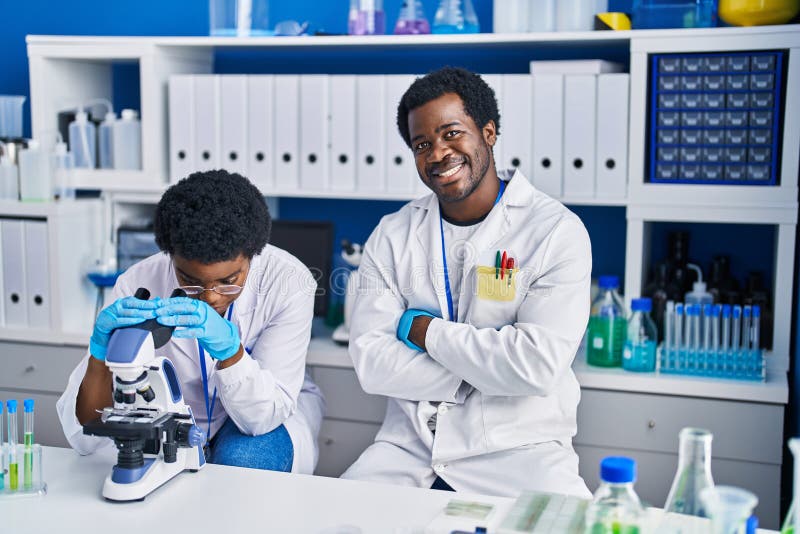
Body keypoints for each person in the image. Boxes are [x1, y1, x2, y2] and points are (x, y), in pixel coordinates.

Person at [341, 67, 592, 498]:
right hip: (410, 448)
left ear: (488, 132)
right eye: (422, 144)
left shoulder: (555, 231)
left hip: (520, 450)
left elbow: (537, 366)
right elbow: (371, 362)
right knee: (334, 517)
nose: (438, 153)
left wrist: (424, 332)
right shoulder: (393, 233)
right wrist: (487, 371)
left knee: (569, 524)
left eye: (452, 133)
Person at [57, 170, 325, 474]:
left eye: (228, 281)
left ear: (253, 256)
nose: (210, 297)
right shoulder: (138, 283)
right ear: (171, 256)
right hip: (179, 412)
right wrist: (100, 352)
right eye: (189, 280)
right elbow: (88, 427)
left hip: (264, 406)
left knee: (243, 463)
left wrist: (232, 352)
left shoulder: (288, 282)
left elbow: (262, 417)